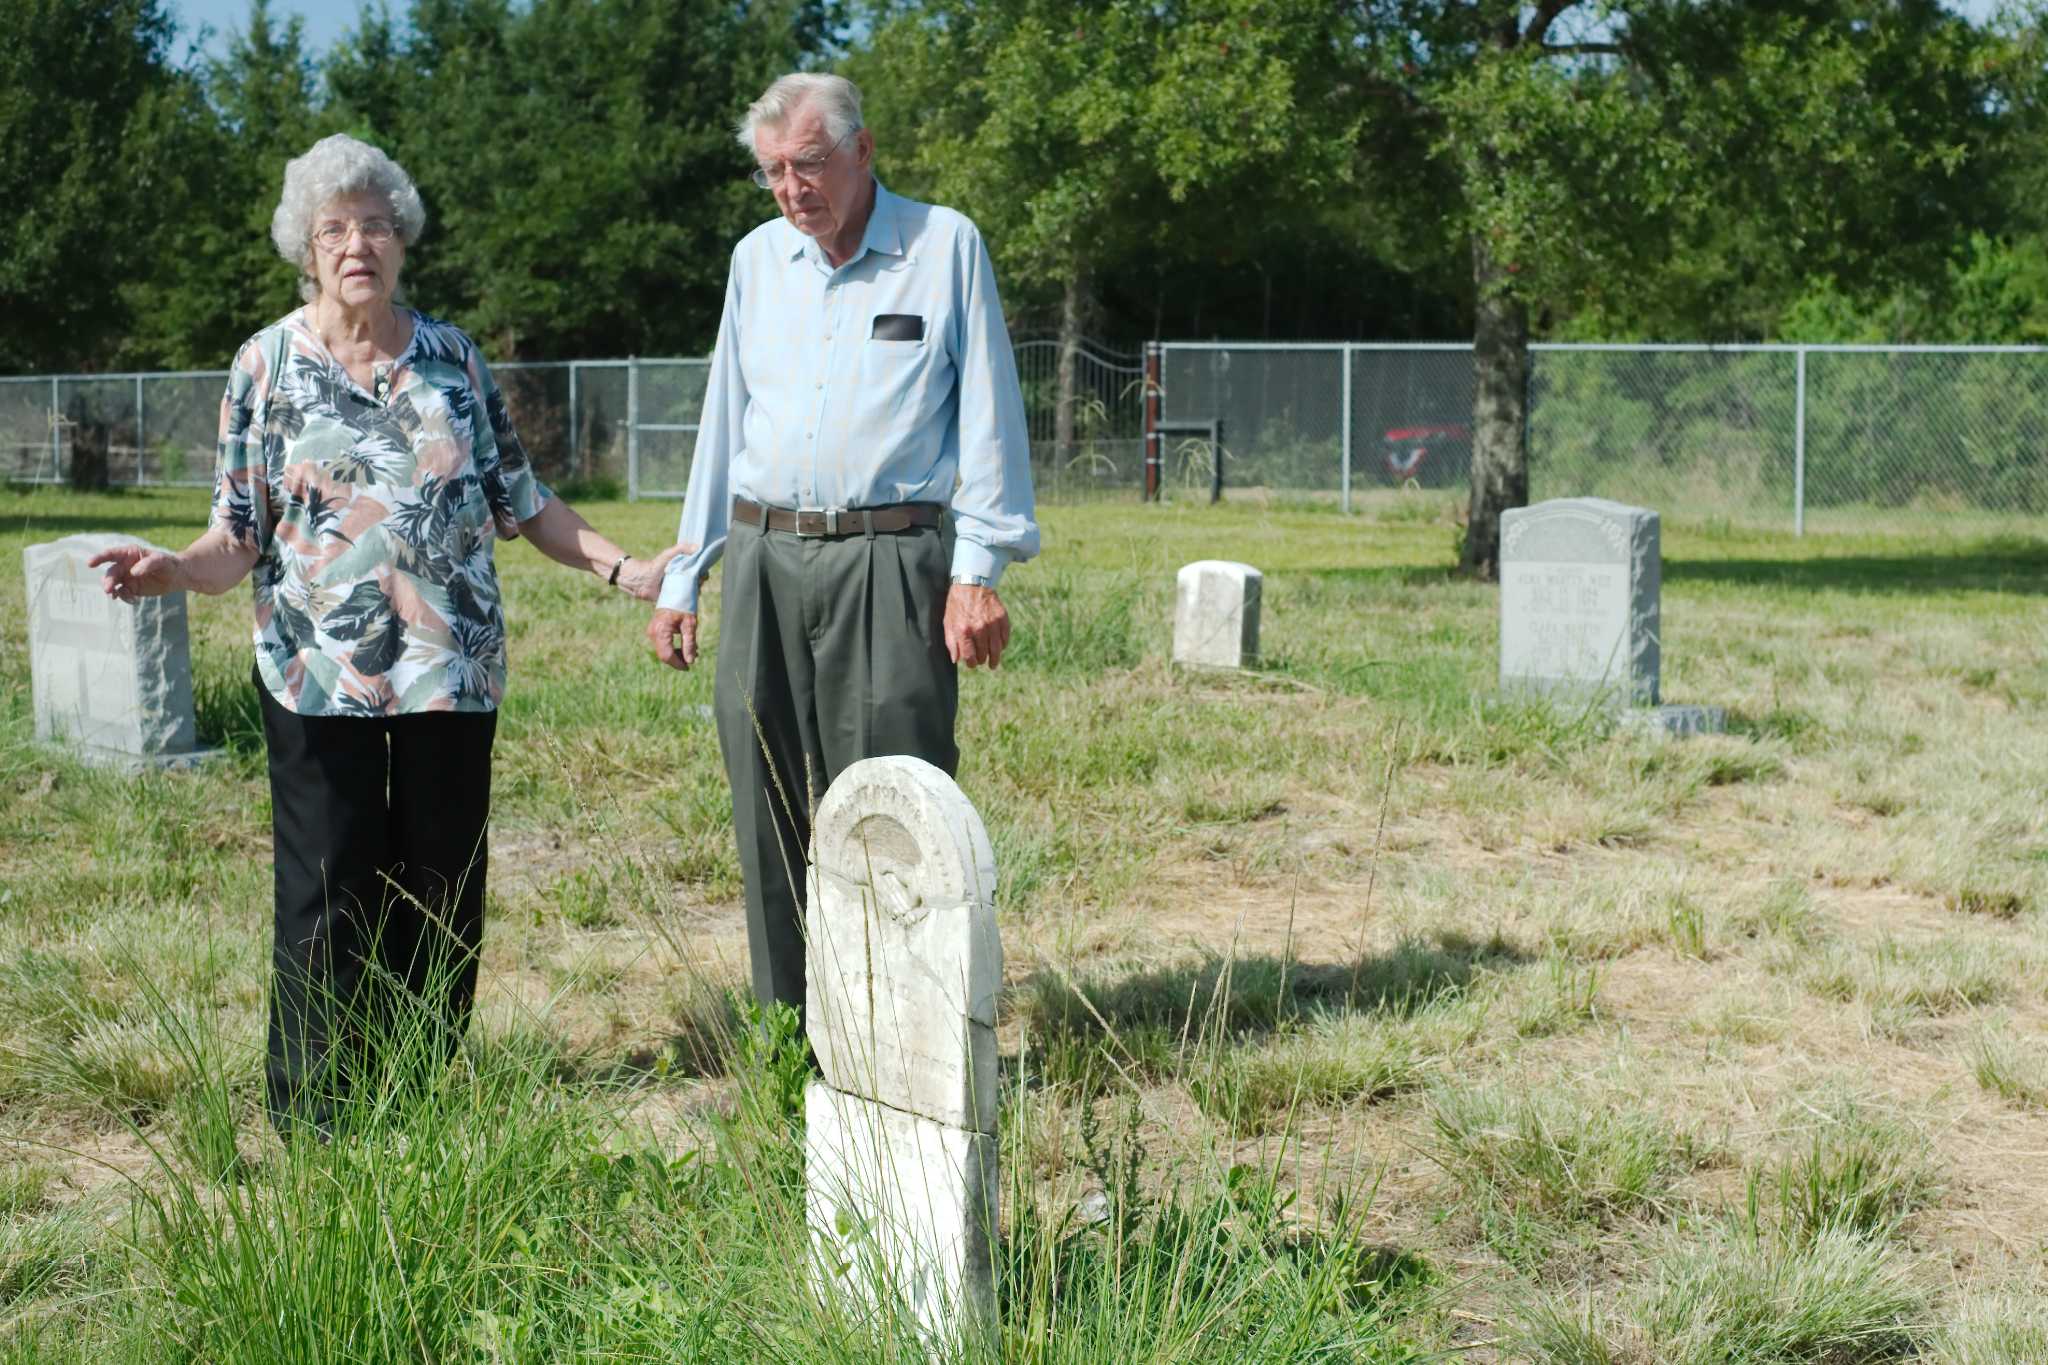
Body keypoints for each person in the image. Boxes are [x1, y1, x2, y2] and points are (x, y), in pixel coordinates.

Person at [92, 134, 682, 1137]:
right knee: (328, 889)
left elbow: (520, 499)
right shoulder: (264, 365)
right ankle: (319, 1118)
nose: (356, 242)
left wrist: (625, 569)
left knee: (443, 887)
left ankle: (415, 1091)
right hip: (319, 672)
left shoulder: (450, 356)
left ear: (400, 240)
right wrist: (173, 573)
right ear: (305, 249)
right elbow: (236, 533)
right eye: (333, 228)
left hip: (452, 669)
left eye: (374, 224)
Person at [646, 73, 1038, 1029]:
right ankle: (791, 1037)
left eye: (809, 163)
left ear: (863, 152)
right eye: (773, 171)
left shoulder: (944, 247)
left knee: (893, 800)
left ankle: (899, 1035)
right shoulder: (755, 262)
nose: (792, 188)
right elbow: (722, 422)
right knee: (765, 798)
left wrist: (976, 570)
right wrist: (685, 574)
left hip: (890, 559)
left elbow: (989, 413)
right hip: (764, 555)